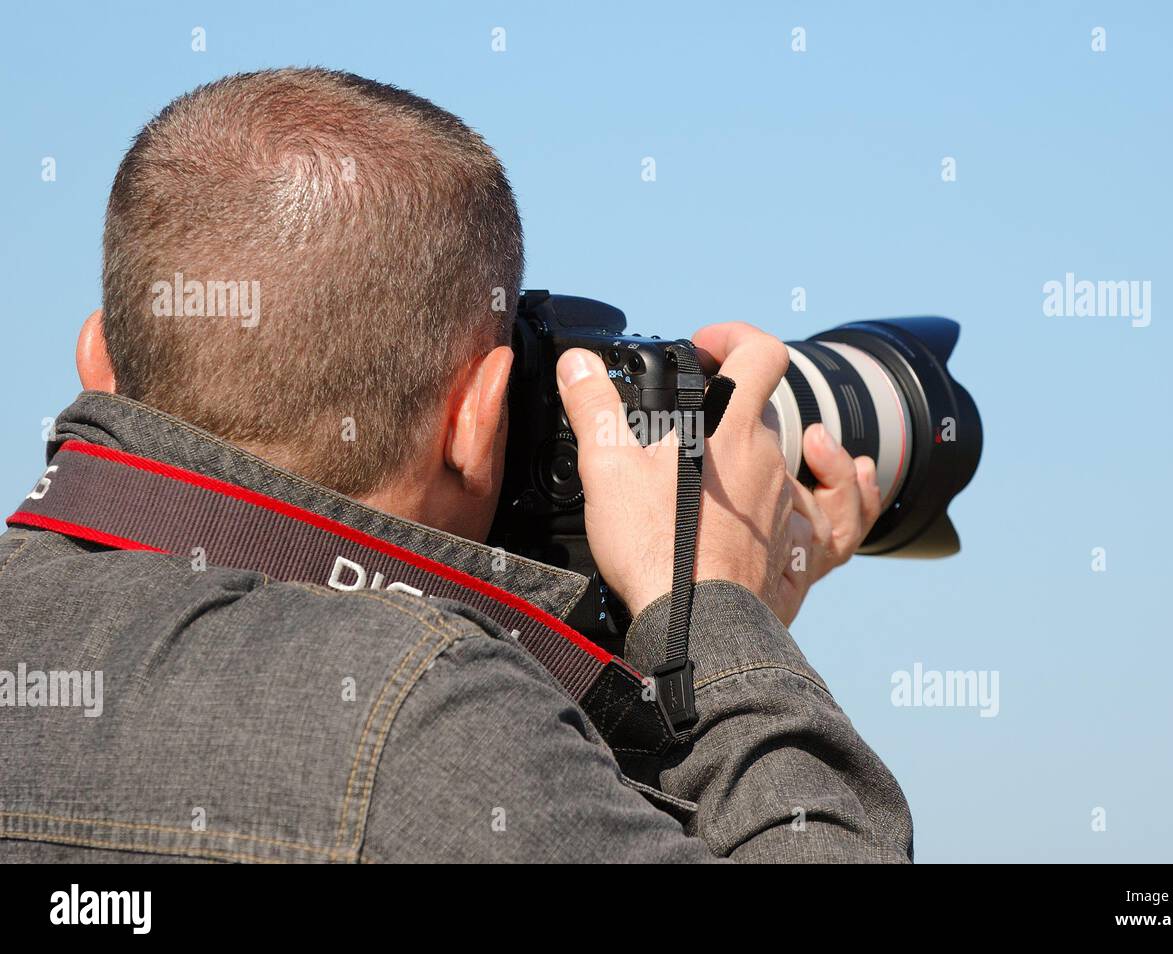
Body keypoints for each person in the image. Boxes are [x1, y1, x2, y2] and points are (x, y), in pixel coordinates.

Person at [0, 68, 911, 863]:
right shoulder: (431, 723)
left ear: (100, 361)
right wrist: (716, 607)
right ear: (477, 419)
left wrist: (690, 662)